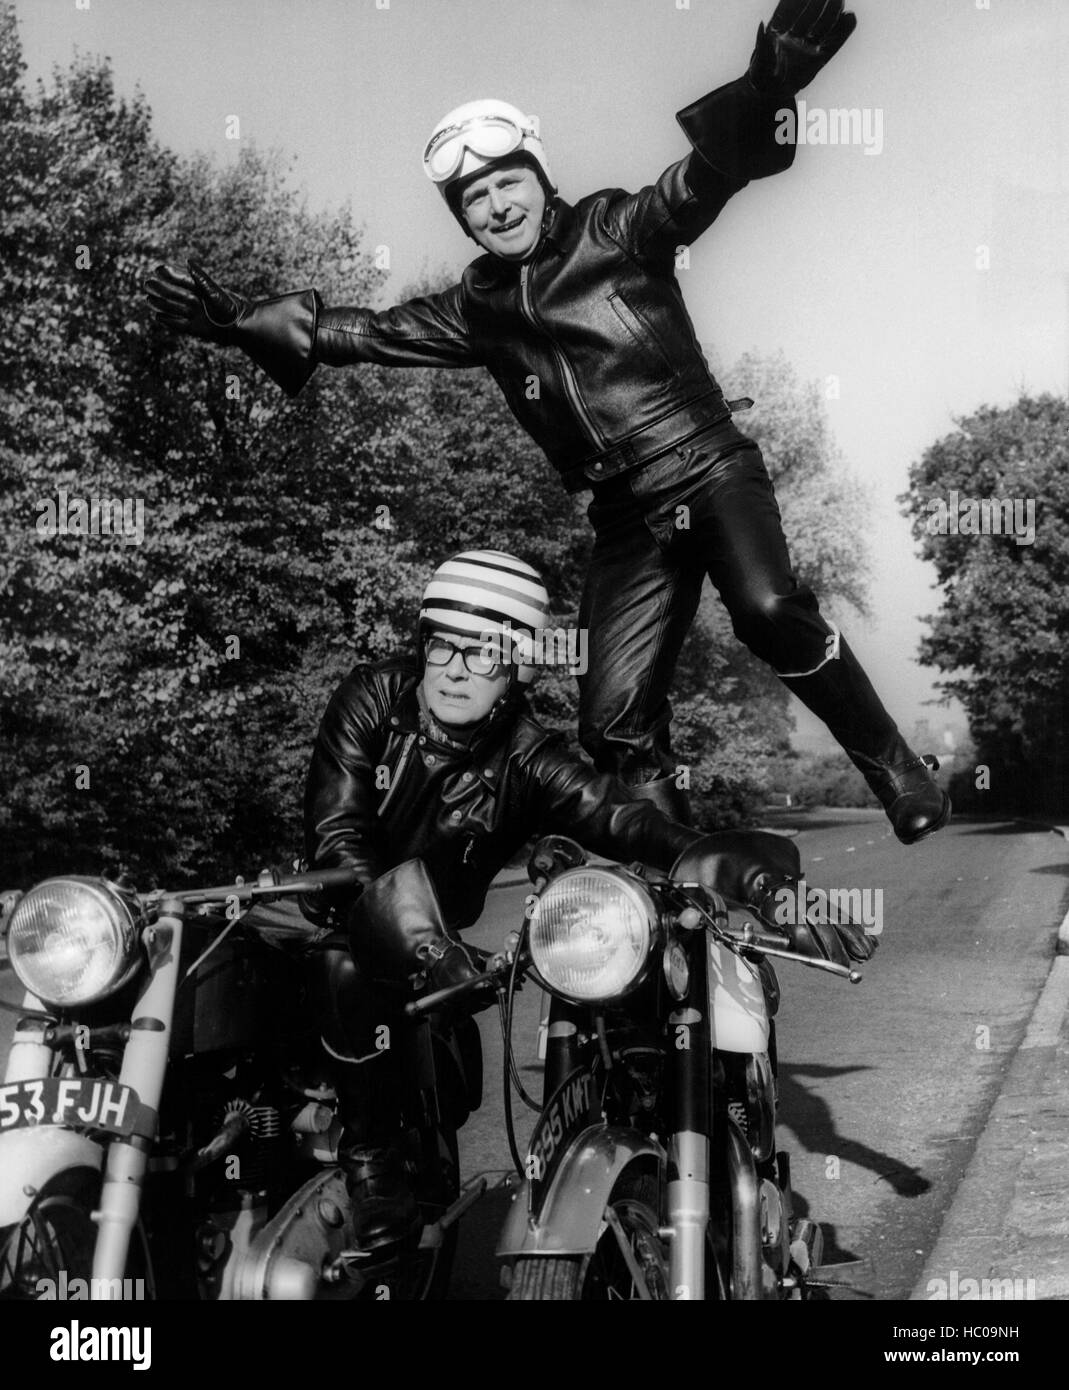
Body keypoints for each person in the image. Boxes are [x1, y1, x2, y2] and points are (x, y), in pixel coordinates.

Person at [143, 0, 949, 846]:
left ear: (539, 177)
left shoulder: (615, 228)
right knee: (612, 725)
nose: (495, 206)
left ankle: (894, 767)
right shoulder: (476, 308)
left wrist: (765, 85)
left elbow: (703, 178)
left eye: (506, 183)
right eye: (474, 198)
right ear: (462, 218)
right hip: (624, 520)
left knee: (766, 606)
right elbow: (365, 334)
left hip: (705, 464)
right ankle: (680, 879)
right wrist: (240, 321)